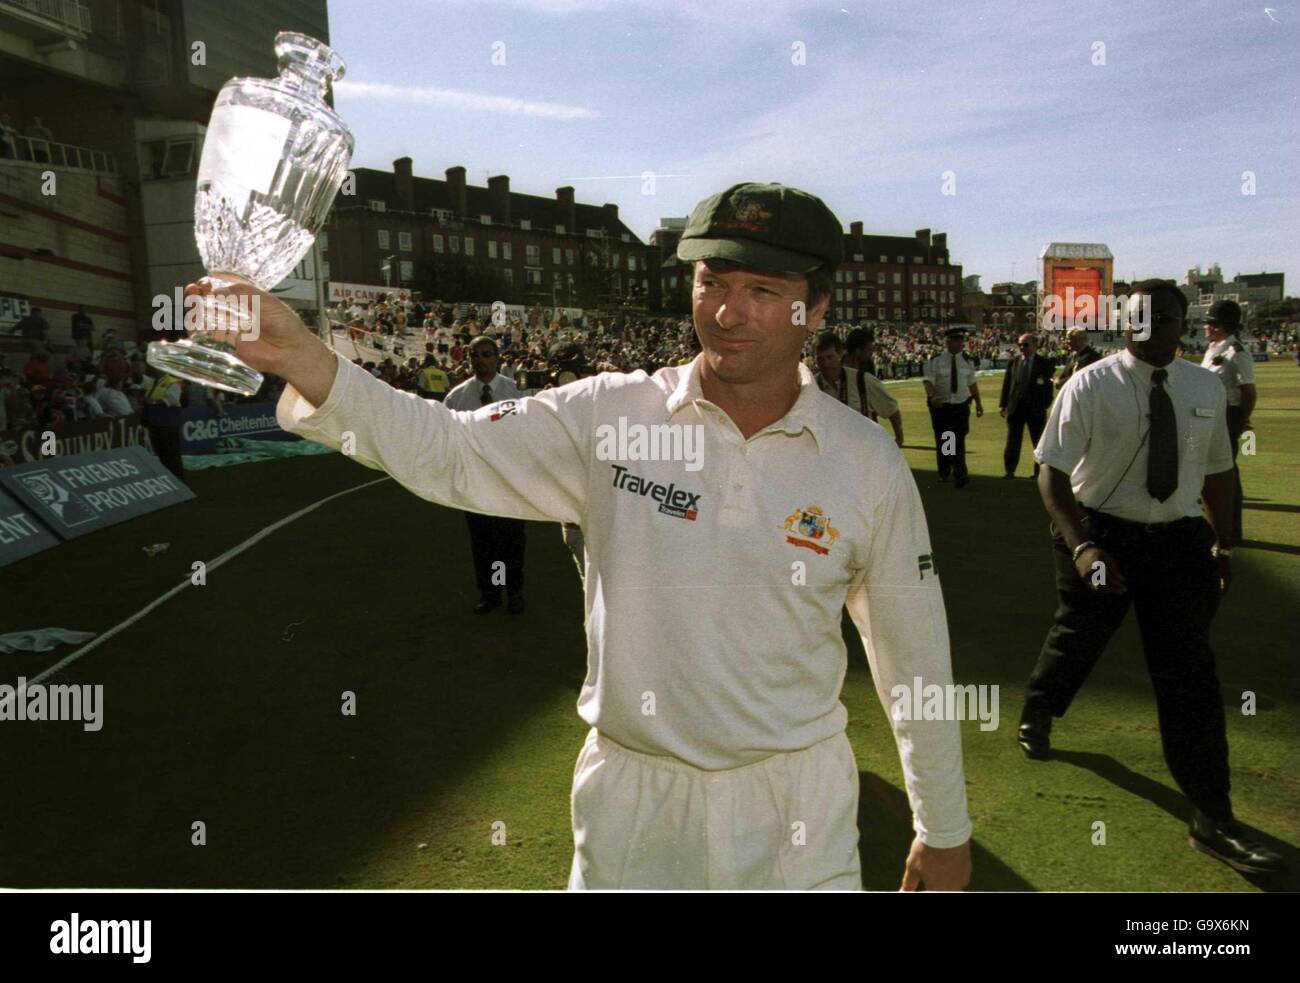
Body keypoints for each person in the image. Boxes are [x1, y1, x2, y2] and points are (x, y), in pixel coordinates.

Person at [181, 181, 972, 891]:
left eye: (762, 289)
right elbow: (450, 449)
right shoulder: (610, 416)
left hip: (795, 809)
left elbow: (914, 653)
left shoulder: (865, 462)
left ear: (818, 306)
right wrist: (306, 358)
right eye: (711, 282)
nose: (727, 313)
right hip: (634, 803)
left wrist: (943, 827)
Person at [1016, 280, 1282, 874]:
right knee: (1078, 637)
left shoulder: (1203, 384)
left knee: (1189, 673)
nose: (1144, 327)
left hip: (1178, 542)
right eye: (1135, 317)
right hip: (1101, 533)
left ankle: (1213, 816)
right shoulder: (1090, 383)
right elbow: (1051, 477)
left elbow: (1218, 473)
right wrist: (1082, 547)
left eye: (1159, 318)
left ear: (1182, 324)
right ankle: (1039, 707)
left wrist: (1224, 542)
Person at [443, 336, 527, 615]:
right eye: (475, 355)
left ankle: (514, 592)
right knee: (484, 544)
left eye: (487, 354)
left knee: (512, 542)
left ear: (497, 358)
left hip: (509, 481)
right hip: (476, 482)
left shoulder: (518, 392)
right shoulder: (457, 397)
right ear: (469, 360)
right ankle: (491, 594)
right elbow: (449, 440)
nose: (481, 360)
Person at [1200, 300, 1255, 546]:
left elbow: (1248, 390)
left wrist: (1242, 419)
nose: (1205, 327)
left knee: (1225, 471)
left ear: (1219, 326)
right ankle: (1221, 526)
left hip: (1227, 415)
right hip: (1212, 416)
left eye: (1209, 323)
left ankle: (1230, 530)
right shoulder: (1214, 349)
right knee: (1217, 469)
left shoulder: (1236, 352)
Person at [813, 332, 903, 446]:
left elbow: (892, 409)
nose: (825, 364)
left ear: (840, 354)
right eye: (820, 359)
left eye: (830, 357)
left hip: (864, 452)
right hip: (830, 453)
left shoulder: (863, 380)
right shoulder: (810, 387)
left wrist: (899, 439)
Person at [922, 327, 983, 488]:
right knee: (946, 440)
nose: (959, 343)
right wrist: (932, 396)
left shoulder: (967, 361)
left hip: (961, 406)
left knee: (959, 440)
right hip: (942, 407)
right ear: (947, 341)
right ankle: (945, 471)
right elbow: (928, 381)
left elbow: (972, 383)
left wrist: (978, 403)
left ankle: (960, 474)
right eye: (956, 340)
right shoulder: (935, 360)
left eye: (961, 340)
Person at [998, 333, 1055, 479]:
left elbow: (1048, 388)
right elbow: (1007, 384)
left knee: (1038, 442)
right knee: (1012, 441)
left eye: (1026, 344)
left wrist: (1044, 405)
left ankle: (1038, 472)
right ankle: (1009, 470)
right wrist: (1003, 404)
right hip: (1016, 407)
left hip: (1035, 408)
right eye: (1020, 344)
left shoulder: (1044, 363)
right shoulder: (1014, 362)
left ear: (1035, 345)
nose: (1022, 347)